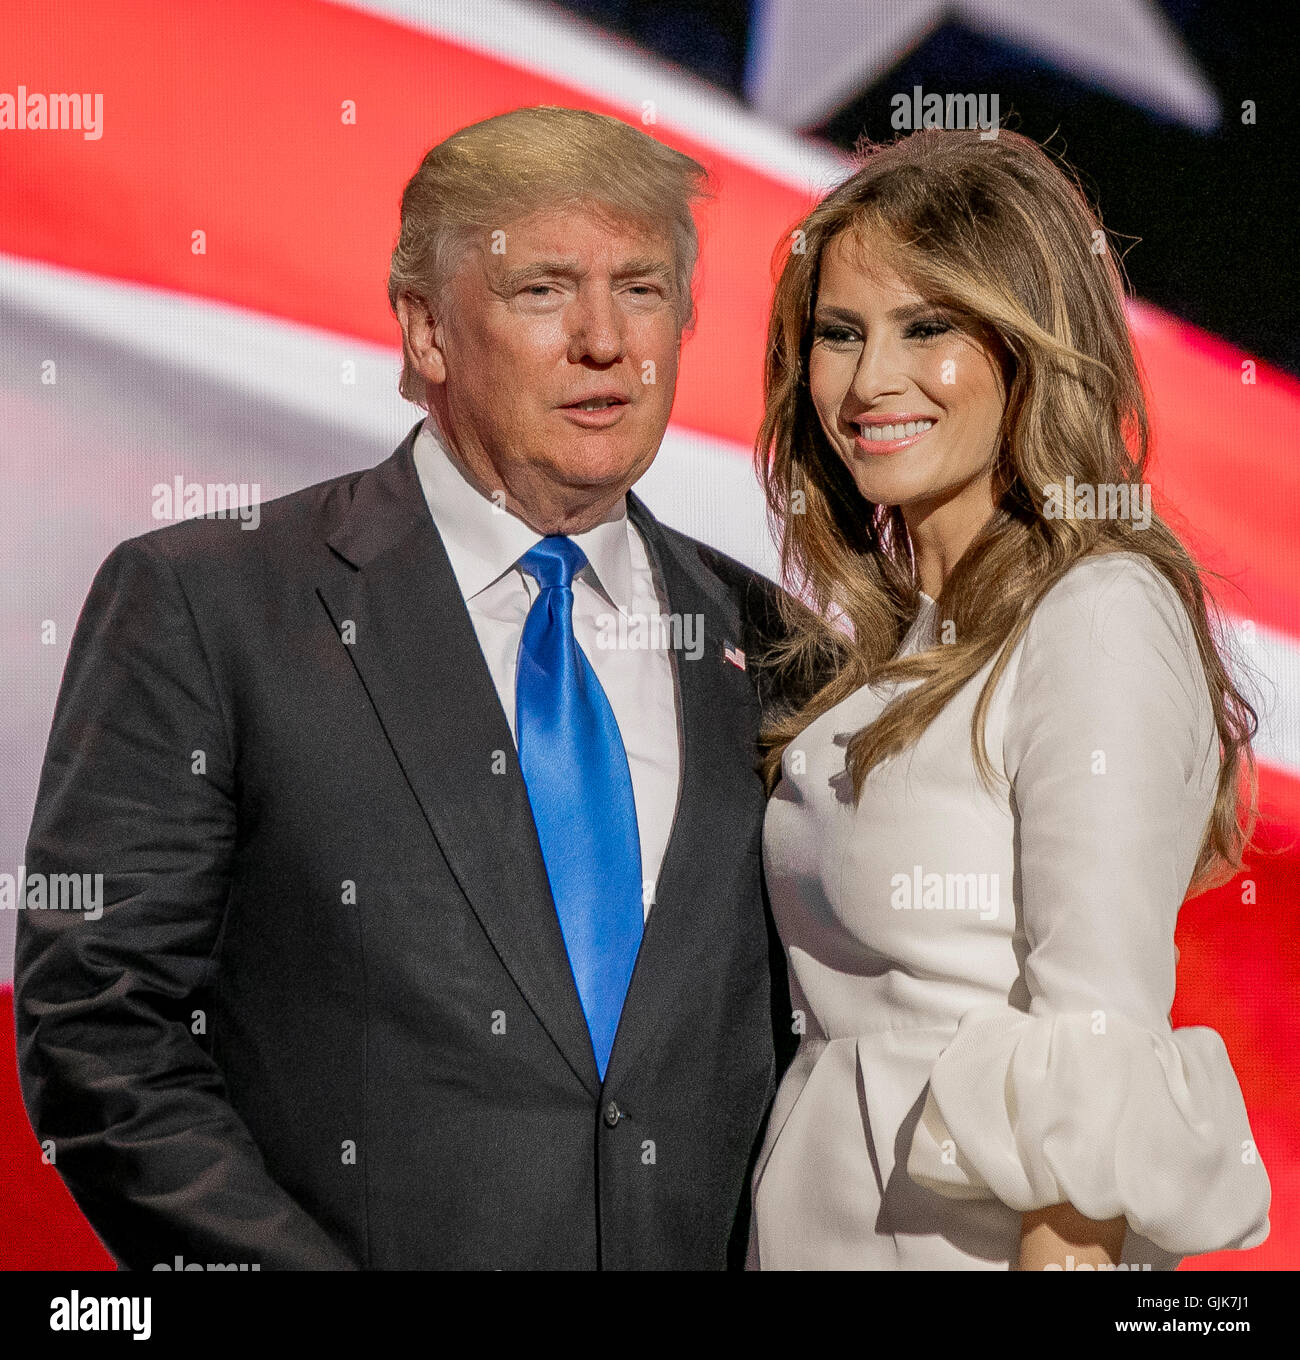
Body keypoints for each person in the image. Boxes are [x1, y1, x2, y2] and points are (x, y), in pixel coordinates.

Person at [14, 105, 791, 1271]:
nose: (602, 340)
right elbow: (99, 1029)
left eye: (639, 288)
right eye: (541, 291)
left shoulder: (778, 648)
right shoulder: (211, 602)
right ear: (426, 330)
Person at [746, 127, 1272, 1270]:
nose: (869, 379)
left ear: (1026, 347)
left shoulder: (1097, 610)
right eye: (840, 333)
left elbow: (1097, 1040)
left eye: (928, 326)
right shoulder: (897, 650)